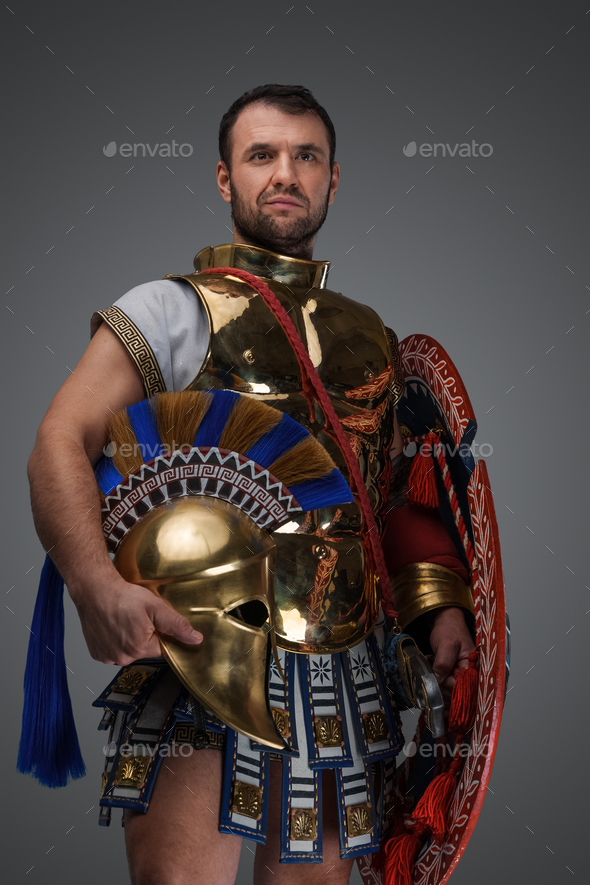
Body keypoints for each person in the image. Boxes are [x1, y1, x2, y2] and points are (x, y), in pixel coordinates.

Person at [27, 84, 475, 885]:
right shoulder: (170, 308)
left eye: (306, 157)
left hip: (345, 663)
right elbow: (60, 439)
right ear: (225, 179)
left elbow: (391, 502)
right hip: (201, 641)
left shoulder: (371, 334)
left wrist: (439, 610)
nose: (285, 173)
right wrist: (94, 585)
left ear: (333, 180)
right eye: (261, 155)